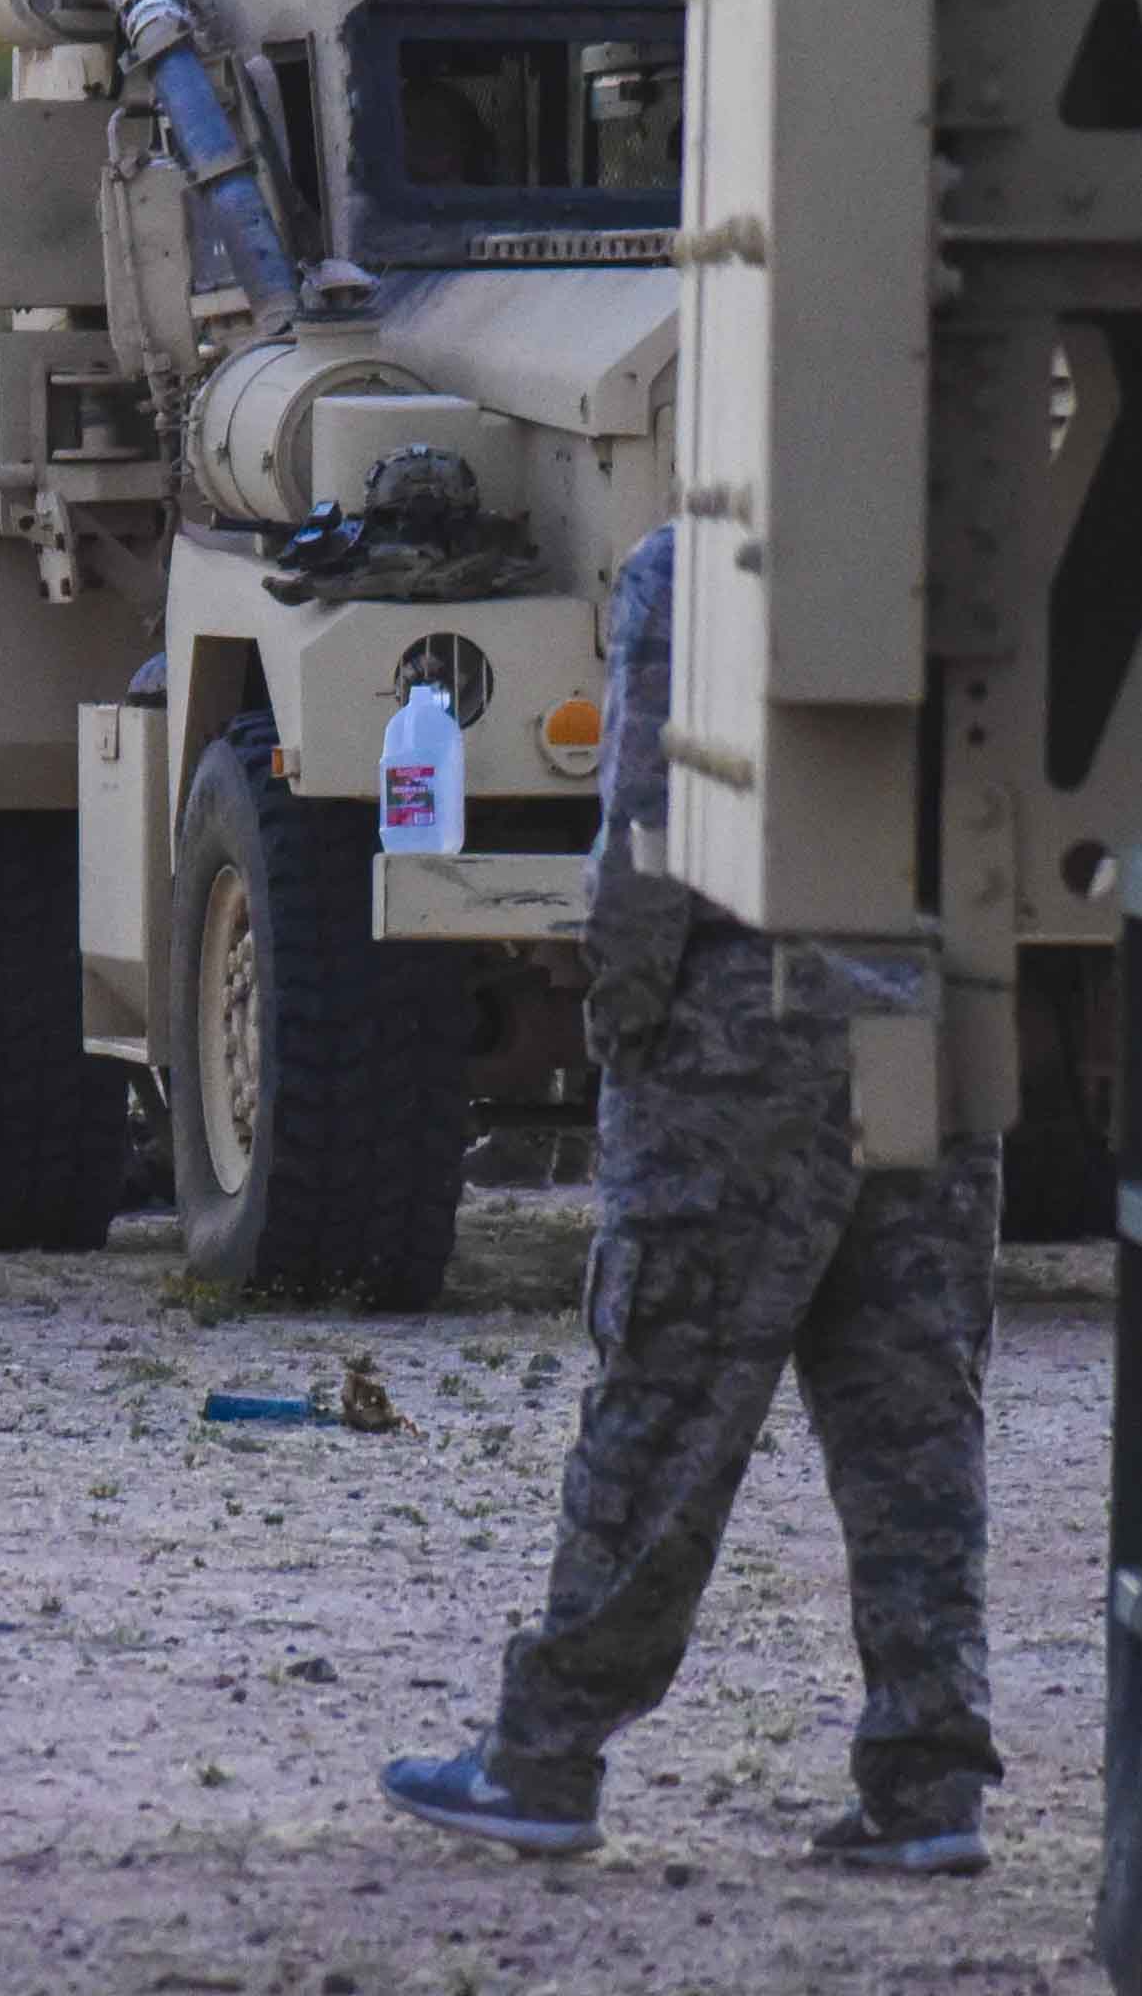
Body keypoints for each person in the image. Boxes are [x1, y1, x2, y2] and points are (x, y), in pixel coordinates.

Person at [381, 522, 1004, 1875]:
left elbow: (648, 820)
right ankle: (930, 1782)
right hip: (929, 1017)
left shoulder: (698, 560)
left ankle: (543, 1756)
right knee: (915, 1418)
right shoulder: (961, 556)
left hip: (739, 1030)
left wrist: (625, 1020)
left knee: (662, 1404)